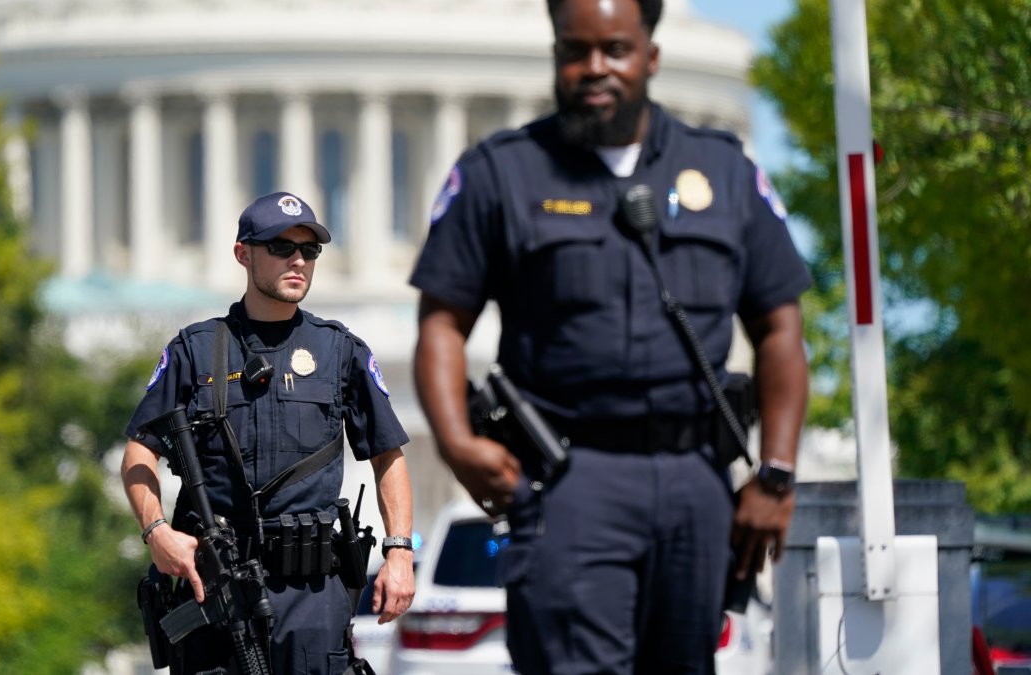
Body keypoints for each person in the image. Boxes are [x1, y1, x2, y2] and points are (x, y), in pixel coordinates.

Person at [410, 0, 810, 672]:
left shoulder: (723, 171)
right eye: (576, 51)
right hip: (571, 481)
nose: (595, 68)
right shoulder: (502, 173)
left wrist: (776, 471)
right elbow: (442, 321)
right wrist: (455, 441)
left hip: (694, 484)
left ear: (650, 55)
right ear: (557, 55)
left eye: (615, 50)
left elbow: (779, 326)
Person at [122, 191, 415, 675]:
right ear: (243, 254)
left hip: (313, 597)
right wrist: (157, 533)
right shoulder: (196, 351)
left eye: (310, 249)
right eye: (281, 247)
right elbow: (138, 453)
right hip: (215, 590)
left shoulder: (340, 351)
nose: (298, 260)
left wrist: (399, 551)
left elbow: (388, 455)